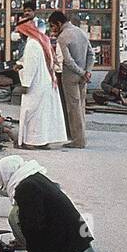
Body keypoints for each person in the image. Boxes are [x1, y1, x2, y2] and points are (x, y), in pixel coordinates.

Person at [0, 156, 101, 252]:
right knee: (18, 213)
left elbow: (33, 225)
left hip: (70, 248)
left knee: (14, 216)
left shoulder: (26, 187)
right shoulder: (33, 177)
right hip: (76, 239)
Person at [16, 19, 67, 148]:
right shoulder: (43, 41)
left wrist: (25, 84)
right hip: (46, 83)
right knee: (43, 113)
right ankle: (43, 141)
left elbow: (32, 67)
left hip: (36, 85)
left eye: (21, 32)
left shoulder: (32, 44)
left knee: (33, 114)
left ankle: (33, 142)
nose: (20, 35)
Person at [49, 11, 93, 149]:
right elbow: (91, 54)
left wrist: (81, 73)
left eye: (52, 26)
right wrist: (87, 72)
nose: (52, 29)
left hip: (71, 76)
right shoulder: (80, 32)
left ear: (59, 23)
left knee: (73, 109)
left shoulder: (63, 37)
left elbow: (68, 61)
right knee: (81, 107)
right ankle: (81, 138)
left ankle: (78, 140)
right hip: (83, 75)